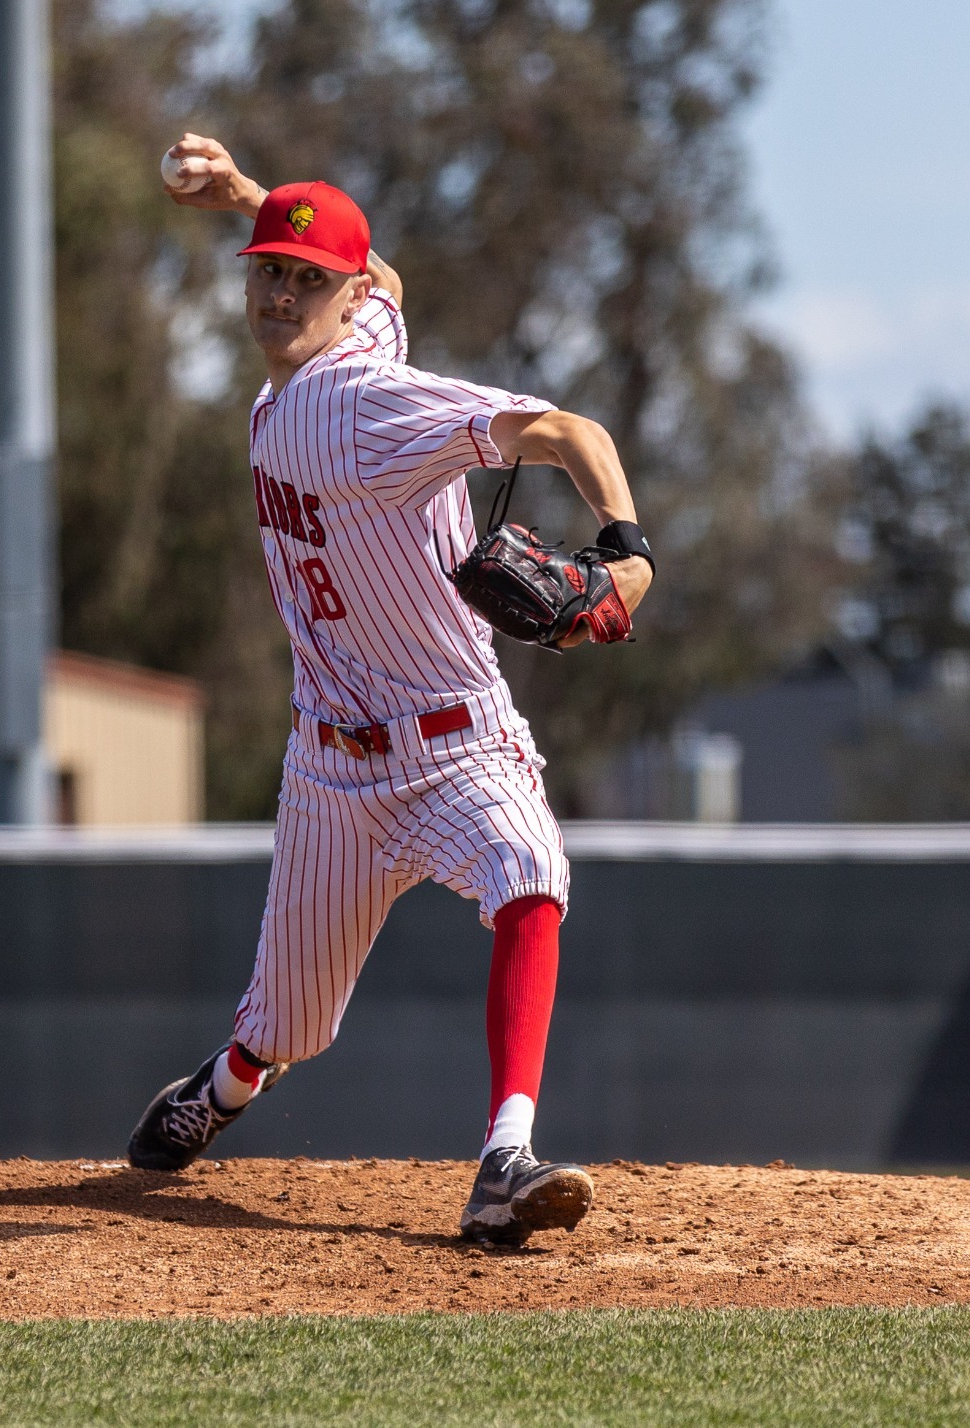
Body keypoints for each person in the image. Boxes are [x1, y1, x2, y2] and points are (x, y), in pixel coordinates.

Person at [127, 135, 655, 1245]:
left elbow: (563, 430)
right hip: (330, 764)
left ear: (344, 297)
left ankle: (504, 1156)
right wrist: (246, 197)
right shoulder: (357, 325)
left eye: (305, 280)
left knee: (530, 874)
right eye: (268, 269)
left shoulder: (355, 404)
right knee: (287, 1028)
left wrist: (628, 555)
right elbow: (389, 285)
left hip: (457, 740)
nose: (280, 293)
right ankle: (222, 1088)